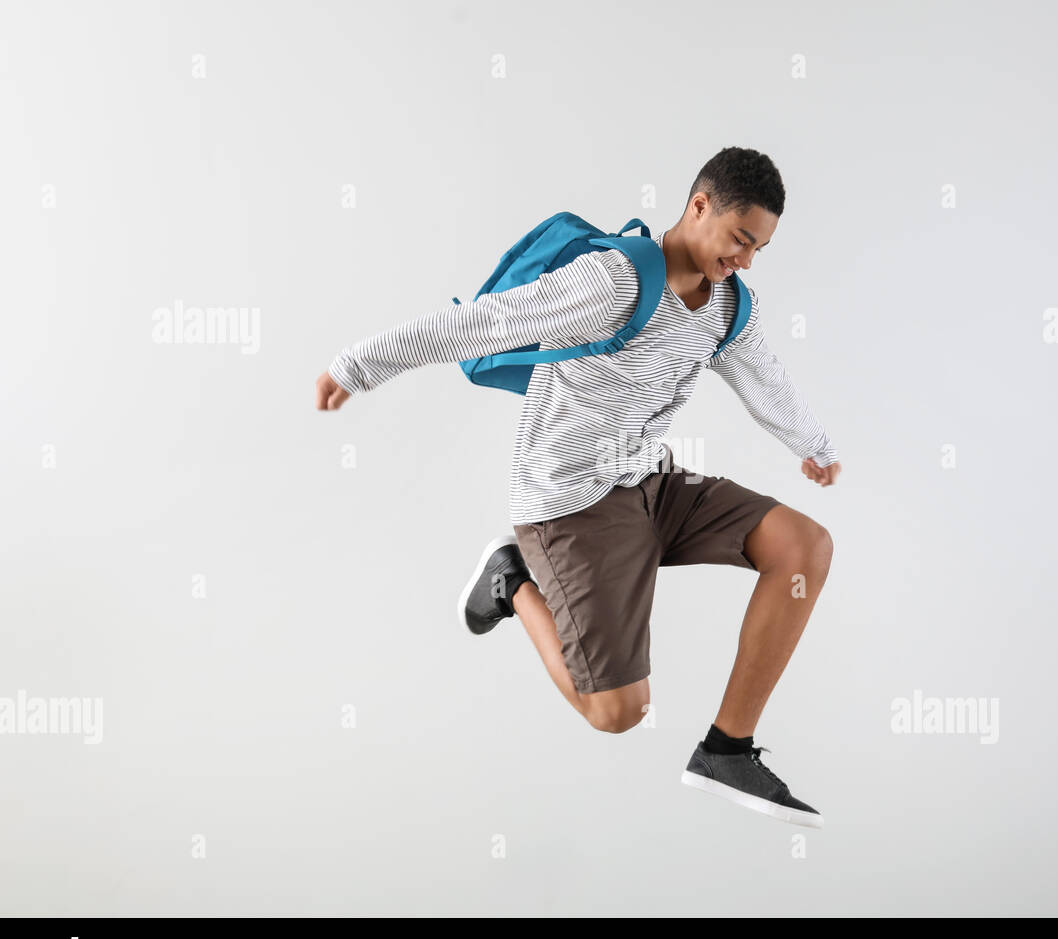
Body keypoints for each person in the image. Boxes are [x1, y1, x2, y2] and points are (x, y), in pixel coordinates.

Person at [315, 147, 840, 828]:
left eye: (759, 248)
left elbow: (768, 381)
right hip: (571, 503)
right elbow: (486, 322)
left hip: (650, 478)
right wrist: (360, 364)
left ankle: (727, 749)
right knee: (618, 712)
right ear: (699, 205)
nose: (745, 258)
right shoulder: (614, 282)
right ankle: (512, 578)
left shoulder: (728, 308)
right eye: (741, 238)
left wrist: (815, 447)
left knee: (806, 546)